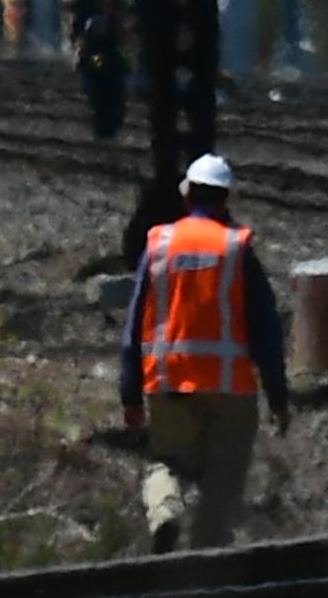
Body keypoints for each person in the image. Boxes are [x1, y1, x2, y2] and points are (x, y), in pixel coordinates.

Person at [119, 154, 291, 553]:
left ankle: (165, 515)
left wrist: (130, 395)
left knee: (166, 463)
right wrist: (279, 398)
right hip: (230, 386)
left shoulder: (158, 244)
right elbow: (267, 332)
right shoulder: (237, 248)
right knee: (224, 480)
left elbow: (132, 329)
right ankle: (206, 558)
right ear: (227, 199)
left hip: (169, 381)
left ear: (185, 196)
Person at [71, 0, 127, 139]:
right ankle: (102, 122)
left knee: (115, 83)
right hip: (93, 48)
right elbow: (78, 22)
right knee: (95, 83)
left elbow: (124, 17)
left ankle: (109, 122)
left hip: (111, 48)